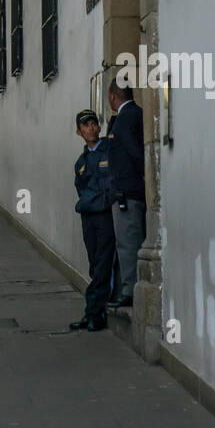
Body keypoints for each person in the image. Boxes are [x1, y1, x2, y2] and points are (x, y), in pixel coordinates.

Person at [69, 110, 116, 333]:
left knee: (103, 262)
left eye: (94, 123)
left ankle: (93, 313)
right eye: (86, 125)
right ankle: (97, 310)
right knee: (94, 262)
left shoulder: (110, 151)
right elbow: (81, 188)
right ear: (79, 132)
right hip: (89, 215)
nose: (91, 128)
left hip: (105, 214)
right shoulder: (81, 162)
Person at [105, 81, 146, 309]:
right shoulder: (136, 113)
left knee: (128, 243)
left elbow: (135, 153)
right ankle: (127, 287)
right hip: (132, 190)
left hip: (126, 193)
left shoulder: (125, 118)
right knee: (129, 240)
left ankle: (130, 290)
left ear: (112, 97)